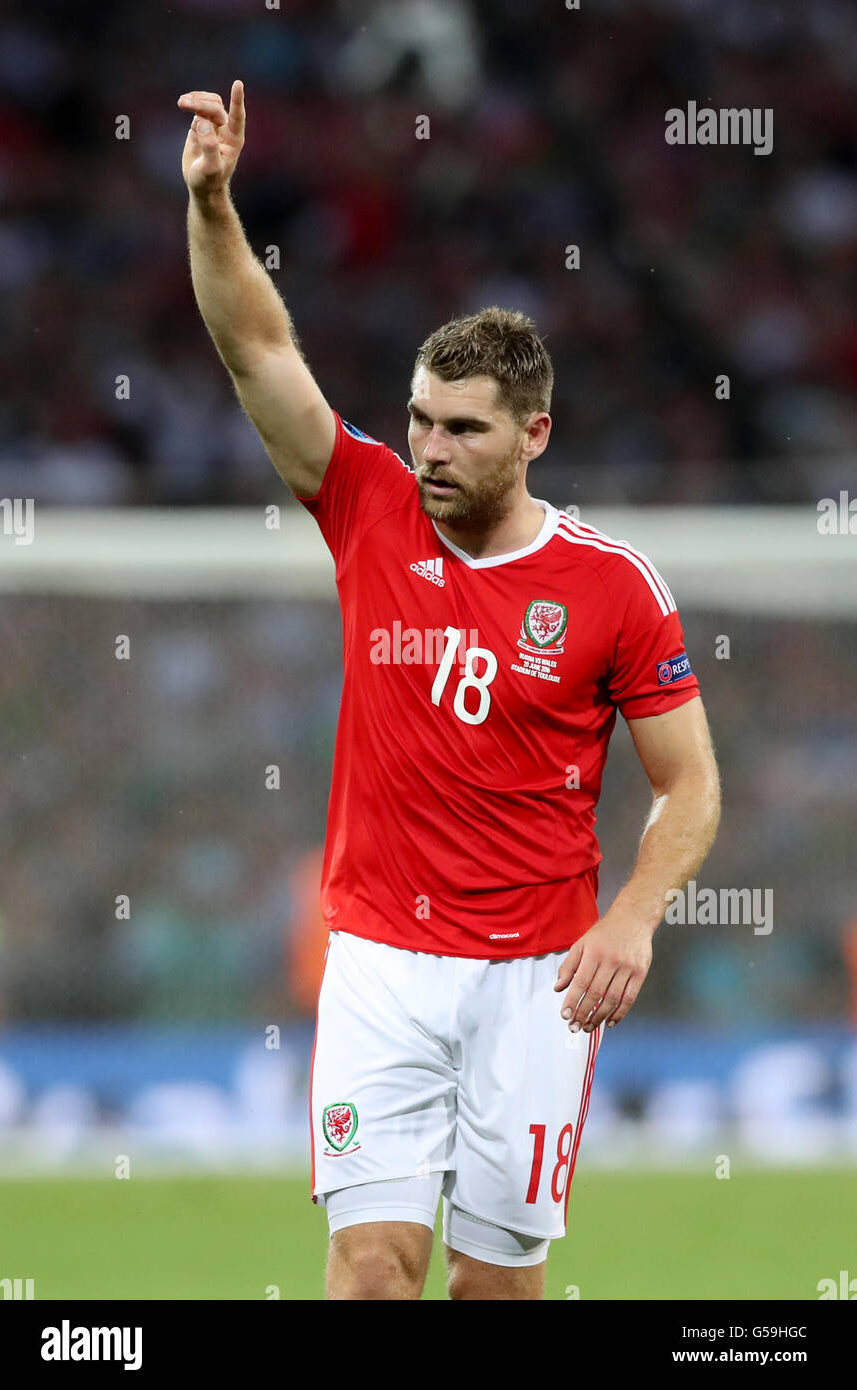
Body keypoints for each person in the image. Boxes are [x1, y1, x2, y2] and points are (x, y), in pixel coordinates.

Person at [178, 80, 721, 1301]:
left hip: (537, 979)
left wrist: (631, 915)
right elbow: (257, 346)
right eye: (419, 421)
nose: (428, 449)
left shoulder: (613, 588)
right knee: (371, 1270)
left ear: (533, 433)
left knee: (491, 1286)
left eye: (463, 430)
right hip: (376, 957)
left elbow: (687, 782)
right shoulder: (367, 506)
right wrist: (213, 203)